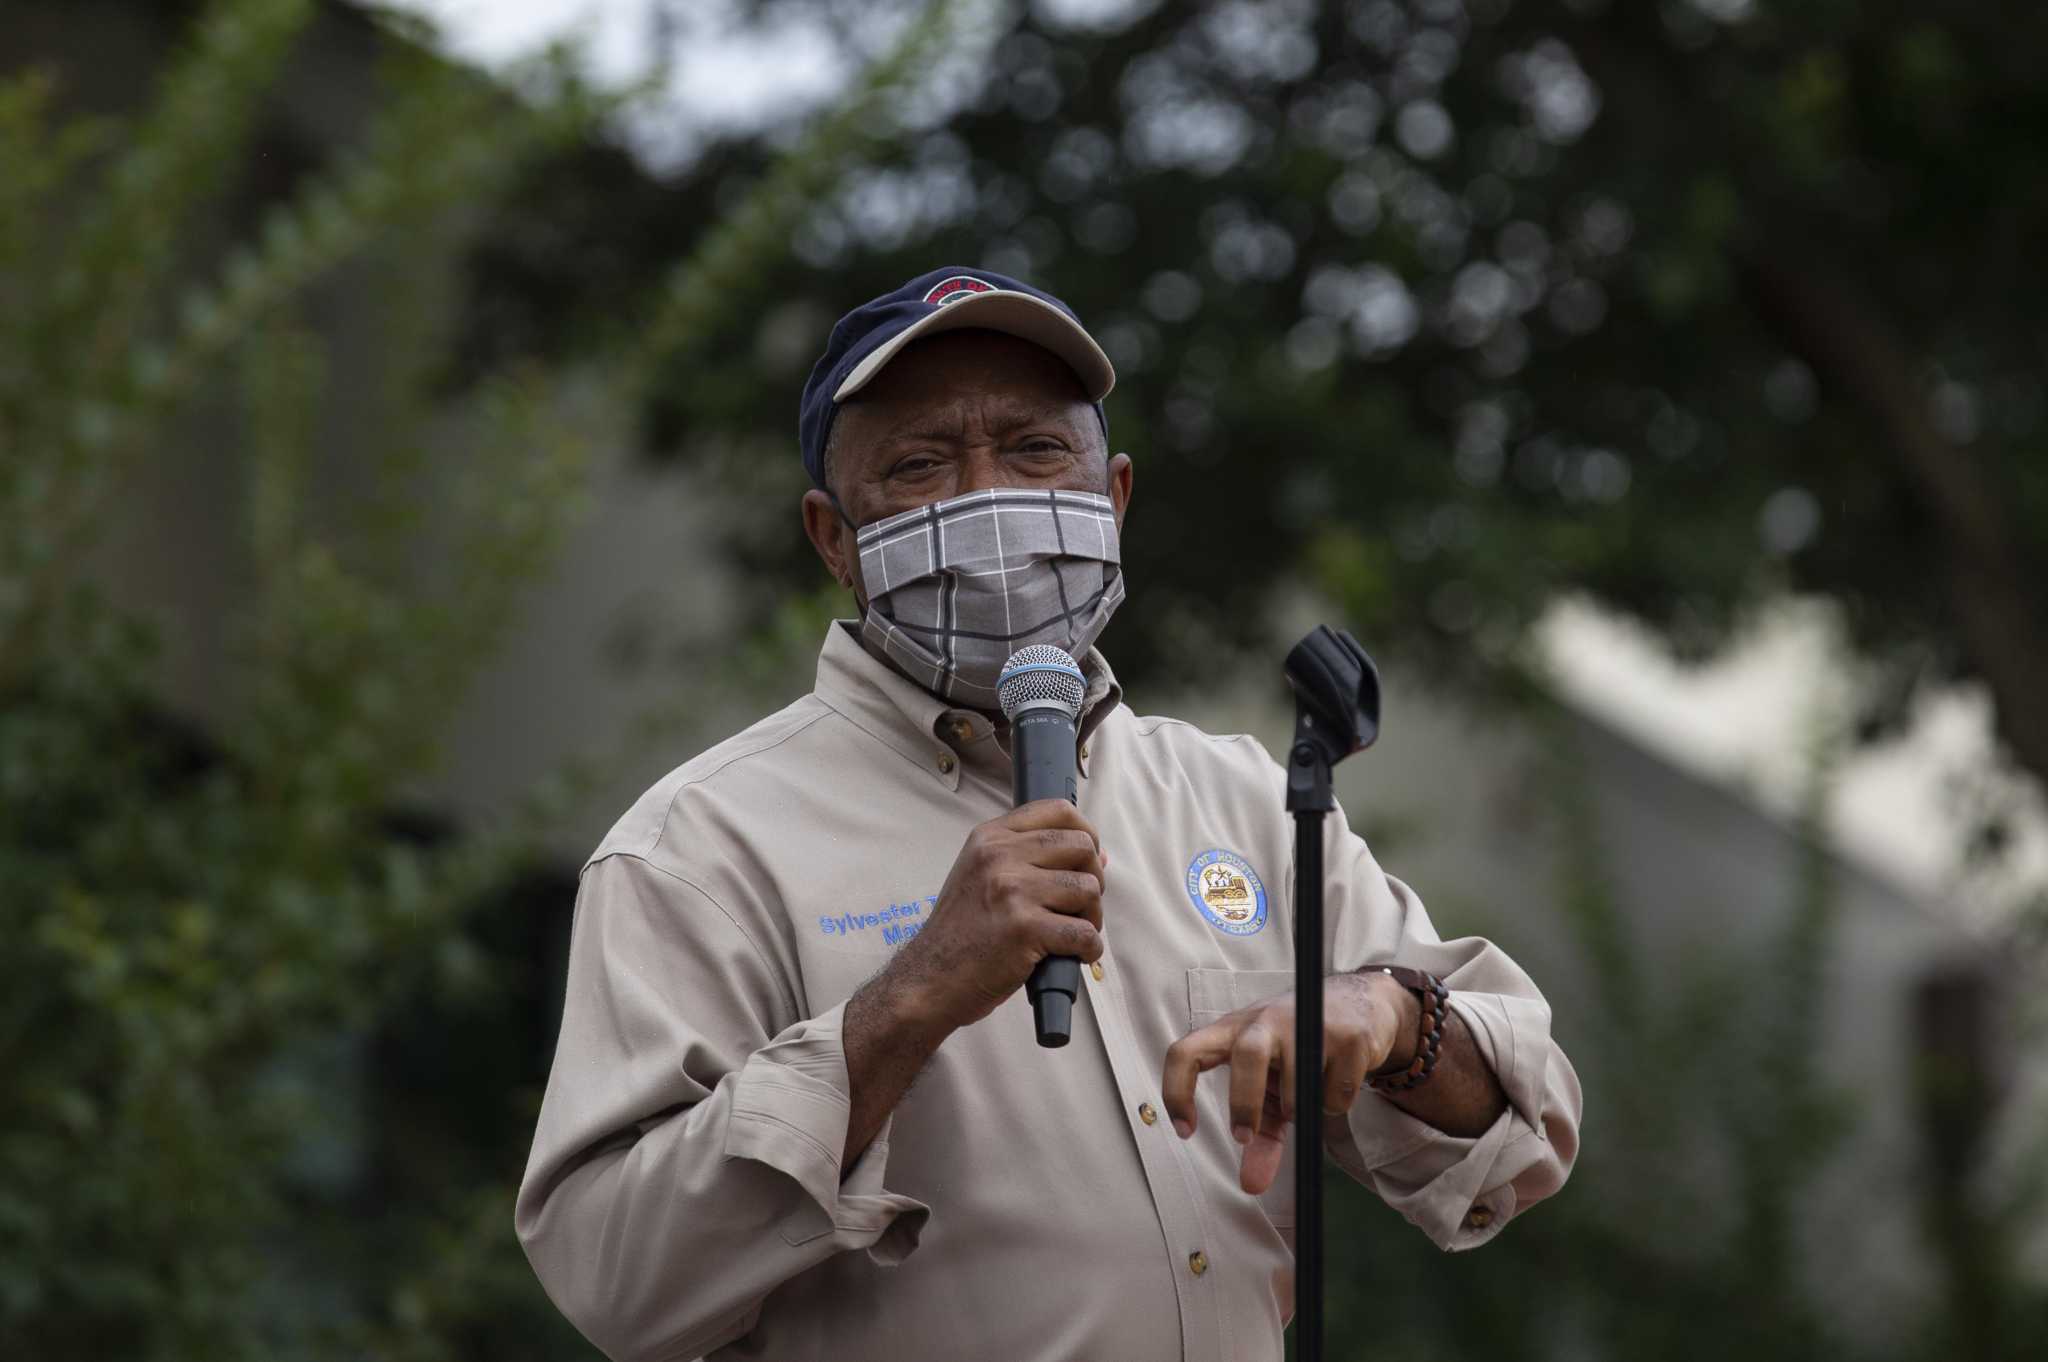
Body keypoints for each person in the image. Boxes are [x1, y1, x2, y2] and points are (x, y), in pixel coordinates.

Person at [515, 267, 1582, 1362]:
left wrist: (1392, 1018)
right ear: (832, 539)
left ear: (1111, 496)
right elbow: (613, 1281)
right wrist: (910, 998)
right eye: (922, 464)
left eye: (1033, 451)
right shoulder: (698, 849)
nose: (988, 503)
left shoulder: (1244, 800)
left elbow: (1521, 1142)